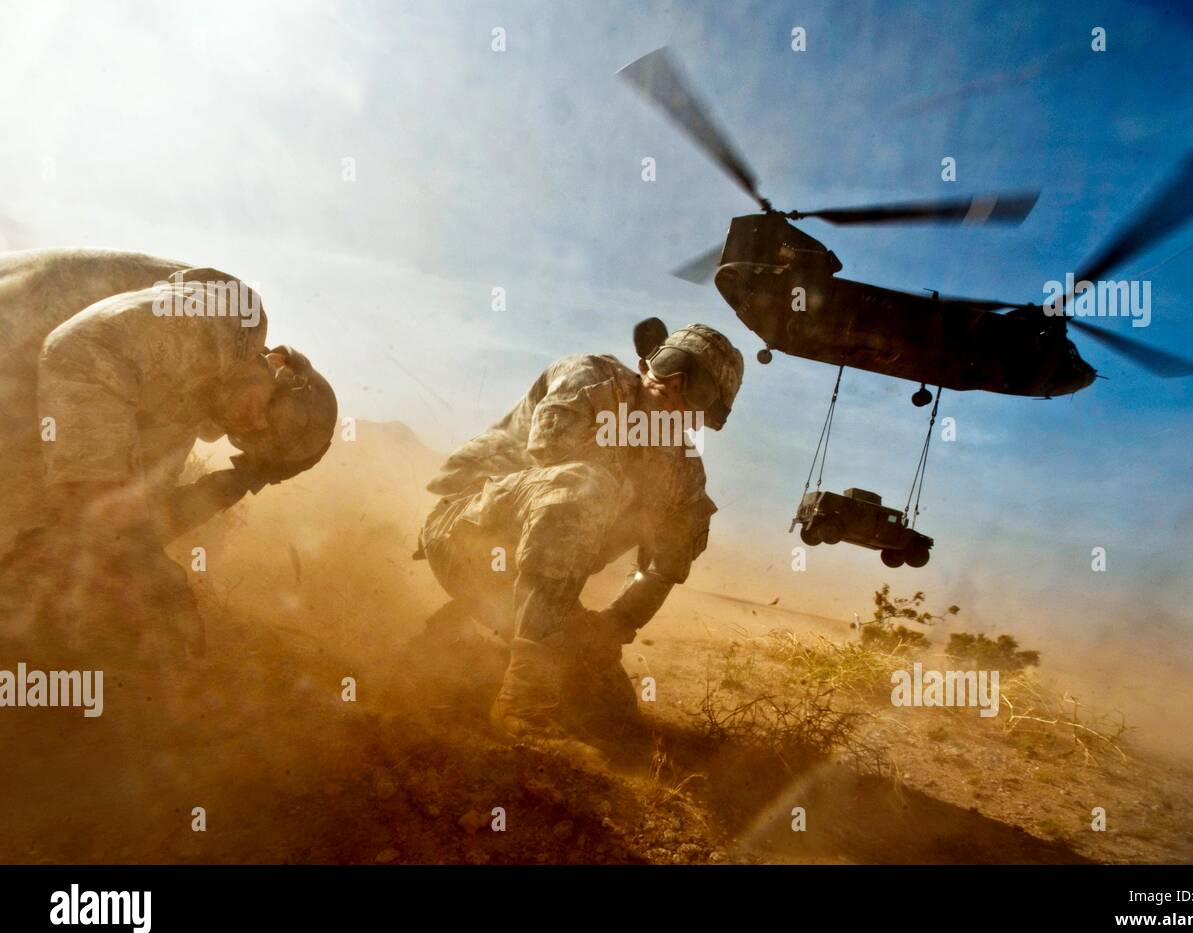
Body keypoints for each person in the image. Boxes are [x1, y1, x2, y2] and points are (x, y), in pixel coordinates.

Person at [0, 248, 337, 660]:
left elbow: (136, 526)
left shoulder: (180, 414)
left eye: (255, 442)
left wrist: (240, 479)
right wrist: (107, 530)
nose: (253, 427)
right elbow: (84, 350)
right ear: (279, 363)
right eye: (273, 413)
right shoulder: (233, 319)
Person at [417, 319, 743, 740]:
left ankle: (455, 643)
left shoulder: (681, 467)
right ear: (651, 360)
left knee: (606, 708)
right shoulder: (592, 378)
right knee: (586, 485)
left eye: (696, 387)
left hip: (530, 589)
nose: (674, 384)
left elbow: (668, 560)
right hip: (462, 535)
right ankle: (523, 698)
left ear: (707, 413)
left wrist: (613, 627)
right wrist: (640, 482)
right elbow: (552, 452)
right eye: (672, 364)